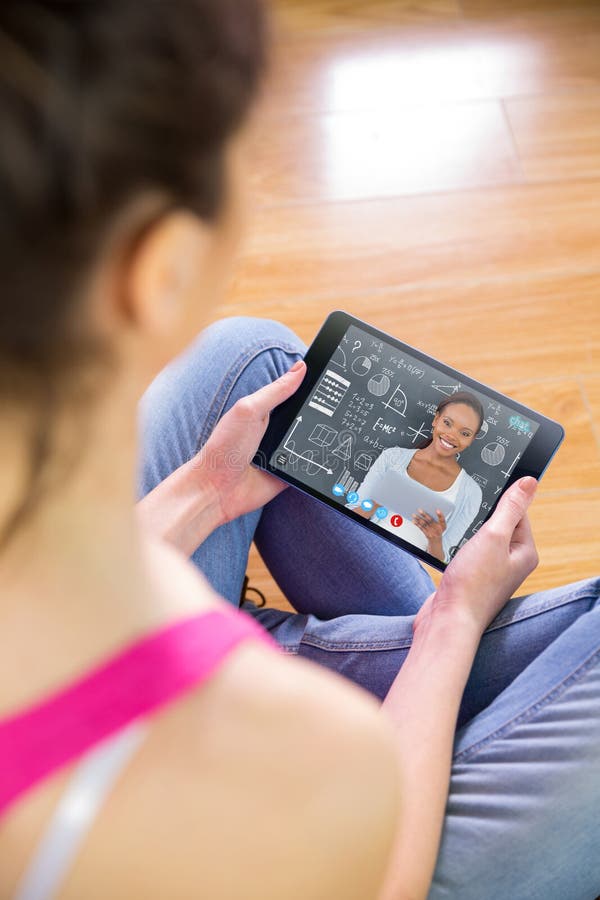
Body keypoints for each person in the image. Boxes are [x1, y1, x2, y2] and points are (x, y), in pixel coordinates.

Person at [0, 3, 599, 900]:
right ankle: (365, 659)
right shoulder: (311, 754)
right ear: (156, 267)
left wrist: (206, 490)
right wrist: (449, 626)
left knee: (248, 362)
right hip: (343, 851)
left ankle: (314, 645)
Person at [352, 392, 484, 562]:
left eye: (465, 433)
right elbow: (352, 514)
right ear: (436, 420)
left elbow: (442, 561)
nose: (452, 435)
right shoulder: (392, 458)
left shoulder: (471, 493)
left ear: (472, 439)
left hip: (408, 568)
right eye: (447, 423)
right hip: (364, 550)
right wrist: (381, 499)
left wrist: (435, 539)